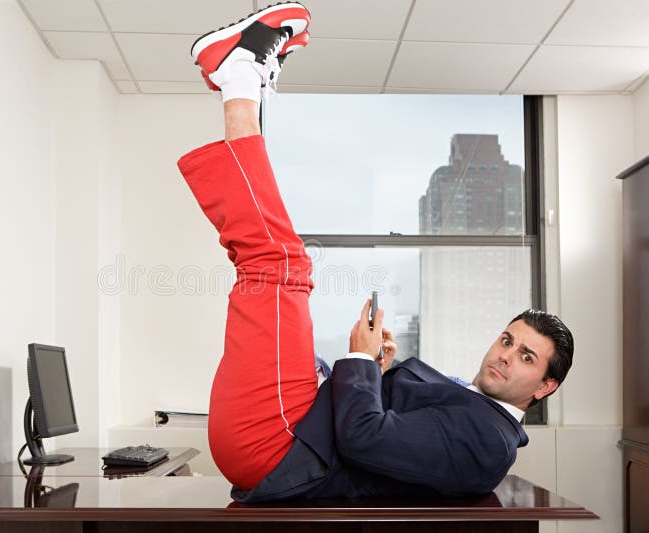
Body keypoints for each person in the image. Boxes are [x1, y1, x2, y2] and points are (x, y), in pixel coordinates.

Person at [177, 2, 574, 503]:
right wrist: (379, 370)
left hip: (282, 446)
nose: (503, 356)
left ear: (545, 387)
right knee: (276, 262)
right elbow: (390, 444)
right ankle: (241, 82)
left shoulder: (488, 440)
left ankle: (239, 73)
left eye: (526, 357)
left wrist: (361, 361)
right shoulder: (478, 414)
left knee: (278, 263)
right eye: (507, 339)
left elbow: (365, 440)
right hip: (297, 431)